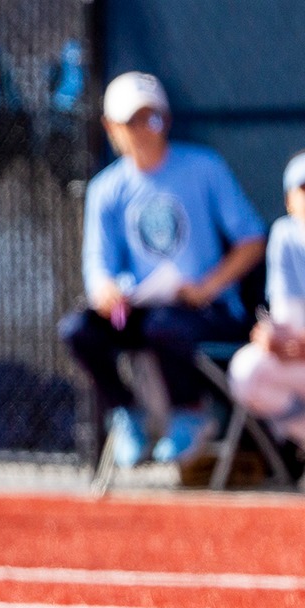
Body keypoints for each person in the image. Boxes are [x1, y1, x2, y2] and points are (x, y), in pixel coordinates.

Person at [59, 71, 266, 470]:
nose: (142, 130)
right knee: (77, 330)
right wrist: (106, 291)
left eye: (150, 118)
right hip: (141, 314)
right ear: (110, 128)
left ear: (165, 120)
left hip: (207, 312)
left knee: (164, 325)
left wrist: (206, 287)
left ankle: (190, 412)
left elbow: (252, 240)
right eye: (130, 121)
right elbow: (98, 264)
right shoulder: (105, 189)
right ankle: (127, 412)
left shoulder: (204, 168)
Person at [227, 150, 305, 468]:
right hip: (298, 360)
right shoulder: (285, 235)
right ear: (289, 201)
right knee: (246, 372)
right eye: (304, 190)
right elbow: (288, 318)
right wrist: (272, 333)